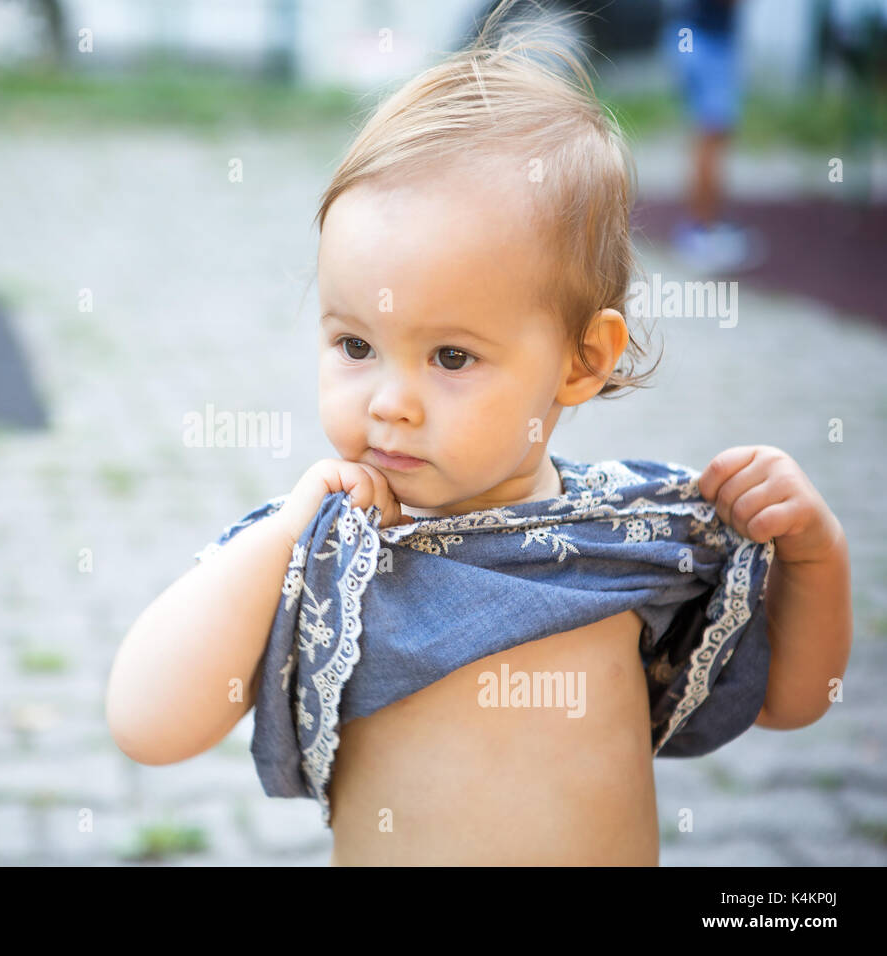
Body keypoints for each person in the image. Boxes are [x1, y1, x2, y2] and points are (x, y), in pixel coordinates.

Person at [105, 0, 850, 865]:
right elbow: (146, 724)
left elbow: (791, 700)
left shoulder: (630, 538)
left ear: (581, 361)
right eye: (356, 344)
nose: (390, 402)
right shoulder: (331, 549)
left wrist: (812, 554)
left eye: (451, 357)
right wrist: (278, 535)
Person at [663, 0, 766, 272]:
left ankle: (702, 228)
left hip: (694, 34)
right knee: (711, 140)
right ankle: (702, 232)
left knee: (706, 139)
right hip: (708, 41)